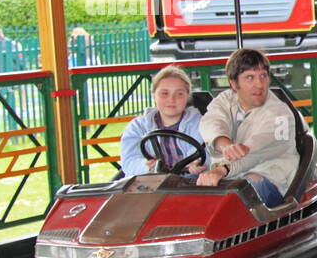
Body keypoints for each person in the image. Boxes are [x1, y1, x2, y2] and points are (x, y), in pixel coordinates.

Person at [197, 48, 302, 207]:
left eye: (263, 76)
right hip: (231, 176)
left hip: (273, 179)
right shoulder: (226, 100)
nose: (259, 84)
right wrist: (223, 144)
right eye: (250, 77)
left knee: (244, 192)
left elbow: (254, 154)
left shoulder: (280, 115)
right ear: (234, 83)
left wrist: (223, 169)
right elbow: (212, 121)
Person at [120, 65, 207, 177]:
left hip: (187, 187)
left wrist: (196, 164)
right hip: (148, 187)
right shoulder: (138, 127)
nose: (172, 99)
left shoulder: (199, 124)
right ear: (153, 95)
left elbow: (206, 155)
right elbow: (129, 162)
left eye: (179, 94)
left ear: (188, 96)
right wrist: (147, 166)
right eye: (165, 93)